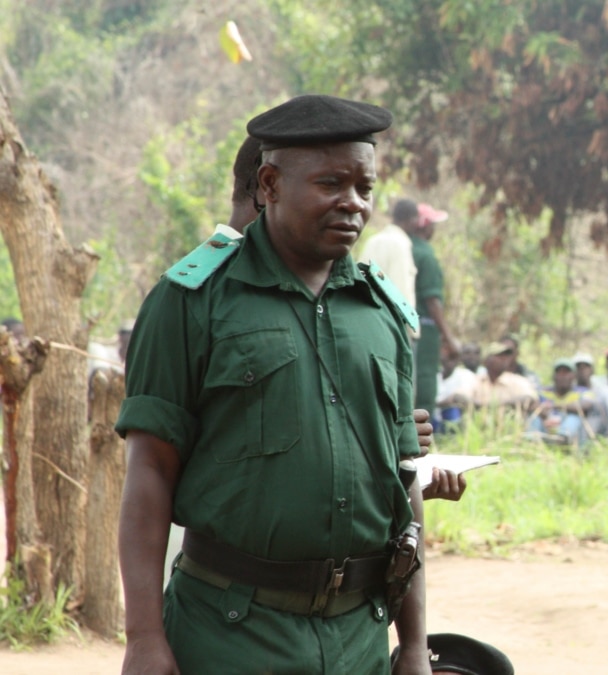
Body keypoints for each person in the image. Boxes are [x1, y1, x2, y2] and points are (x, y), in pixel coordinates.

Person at [115, 94, 433, 675]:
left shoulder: (380, 311)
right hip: (230, 635)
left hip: (358, 637)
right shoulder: (191, 302)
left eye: (365, 187)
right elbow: (150, 471)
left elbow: (403, 483)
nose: (354, 204)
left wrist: (413, 647)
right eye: (331, 183)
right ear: (269, 183)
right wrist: (142, 638)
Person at [406, 201, 459, 413]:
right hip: (424, 326)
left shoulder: (403, 247)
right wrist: (448, 337)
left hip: (402, 324)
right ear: (425, 226)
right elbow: (432, 300)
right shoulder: (425, 255)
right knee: (425, 380)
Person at [445, 341, 538, 414]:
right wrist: (480, 406)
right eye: (499, 356)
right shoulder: (475, 380)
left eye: (506, 356)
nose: (504, 359)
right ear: (486, 361)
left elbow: (529, 398)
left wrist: (494, 406)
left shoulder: (517, 380)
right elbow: (458, 396)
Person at [360, 199, 419, 314]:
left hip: (365, 314)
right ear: (410, 220)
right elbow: (401, 293)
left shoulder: (373, 240)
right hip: (388, 322)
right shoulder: (401, 245)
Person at [527, 358, 593, 448]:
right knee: (534, 416)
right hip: (546, 427)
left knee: (574, 417)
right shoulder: (543, 392)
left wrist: (555, 406)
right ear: (554, 376)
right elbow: (532, 404)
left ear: (573, 376)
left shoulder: (582, 392)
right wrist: (543, 414)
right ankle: (531, 438)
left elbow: (586, 405)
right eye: (559, 373)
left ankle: (563, 438)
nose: (563, 376)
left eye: (566, 373)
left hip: (571, 430)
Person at [572, 352, 608, 437]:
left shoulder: (601, 389)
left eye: (586, 366)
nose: (582, 370)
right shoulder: (569, 389)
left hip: (597, 428)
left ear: (592, 370)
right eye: (578, 367)